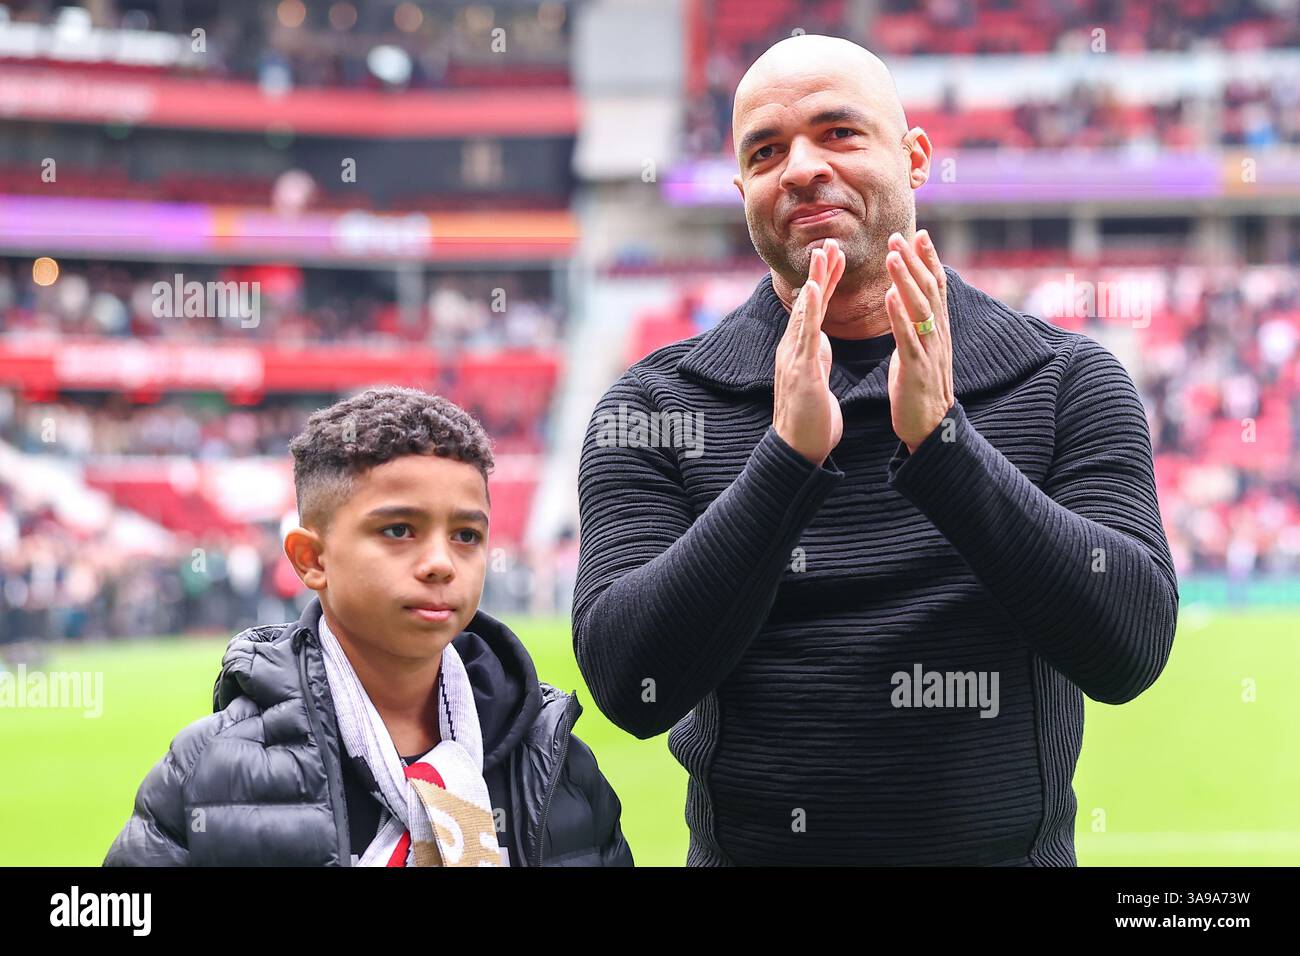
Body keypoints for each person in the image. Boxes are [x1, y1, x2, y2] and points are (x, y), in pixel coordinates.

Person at [573, 35, 1179, 865]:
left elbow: (1128, 652)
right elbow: (630, 688)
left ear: (915, 156)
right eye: (765, 151)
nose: (801, 168)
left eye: (839, 133)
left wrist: (946, 447)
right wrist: (784, 463)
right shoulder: (655, 406)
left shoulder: (1066, 380)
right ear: (743, 188)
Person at [105, 386, 632, 866]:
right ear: (312, 559)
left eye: (467, 535)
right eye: (399, 530)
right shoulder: (210, 768)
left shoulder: (554, 759)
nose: (440, 562)